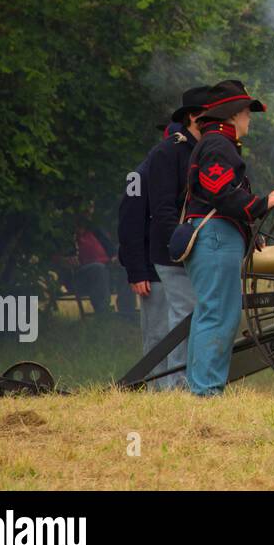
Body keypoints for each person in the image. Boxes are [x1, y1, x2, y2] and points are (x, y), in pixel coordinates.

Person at [181, 80, 274, 396]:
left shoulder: (219, 144)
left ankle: (201, 388)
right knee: (219, 315)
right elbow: (221, 193)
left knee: (213, 313)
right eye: (246, 113)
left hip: (218, 236)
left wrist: (250, 231)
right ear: (234, 115)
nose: (249, 119)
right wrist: (261, 203)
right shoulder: (217, 145)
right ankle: (206, 391)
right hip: (215, 237)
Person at [117, 86, 210, 389]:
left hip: (169, 259)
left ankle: (173, 387)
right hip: (151, 265)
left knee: (174, 329)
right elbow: (131, 225)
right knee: (158, 335)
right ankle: (159, 390)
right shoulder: (144, 173)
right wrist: (137, 270)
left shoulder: (174, 162)